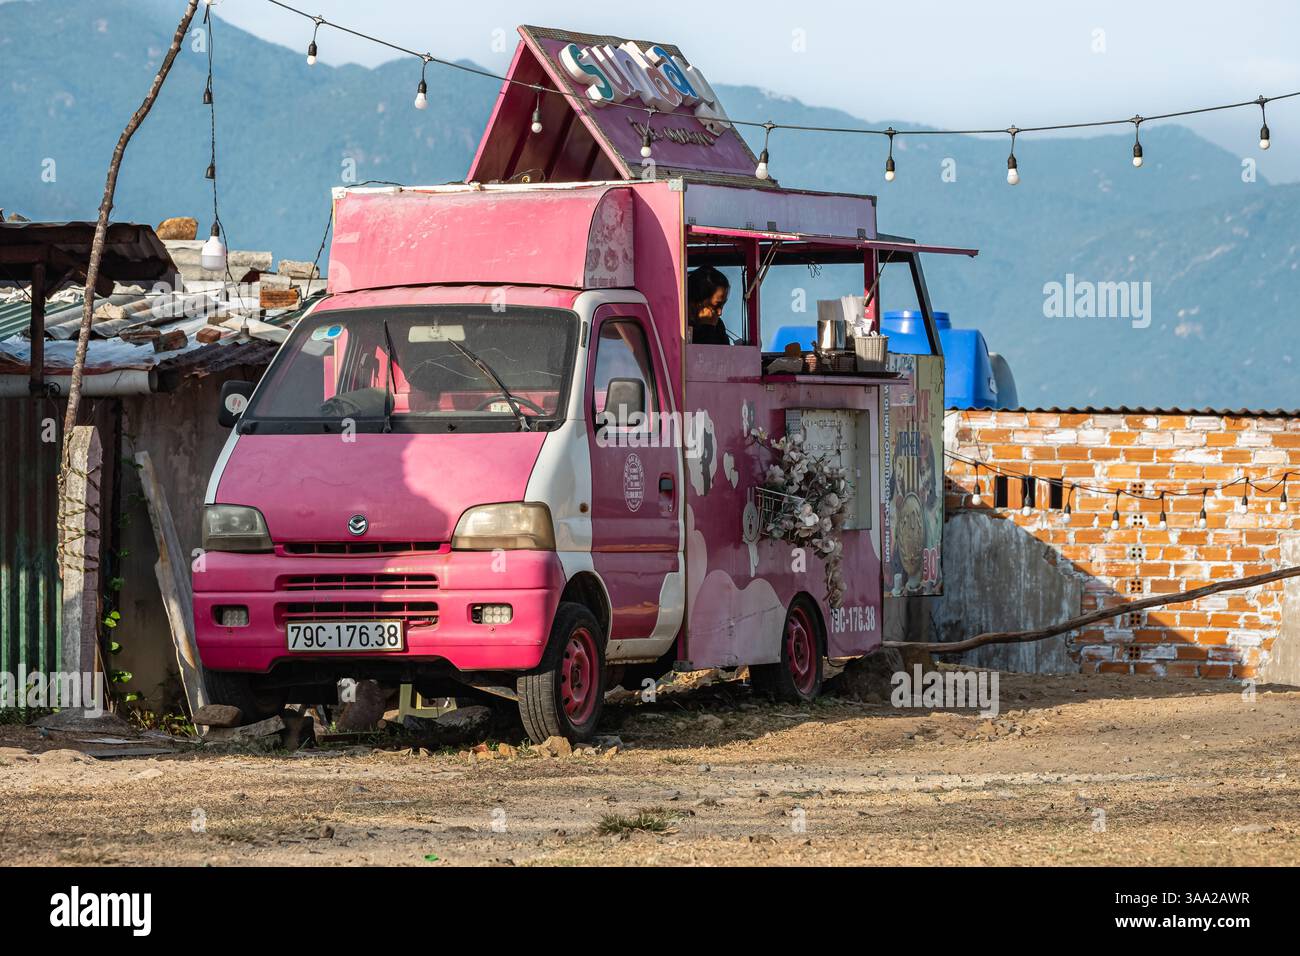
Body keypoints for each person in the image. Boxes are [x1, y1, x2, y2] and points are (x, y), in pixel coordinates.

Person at [687, 266, 732, 345]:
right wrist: (707, 329)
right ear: (696, 303)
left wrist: (709, 328)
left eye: (722, 305)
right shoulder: (678, 326)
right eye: (716, 305)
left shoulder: (718, 326)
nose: (720, 312)